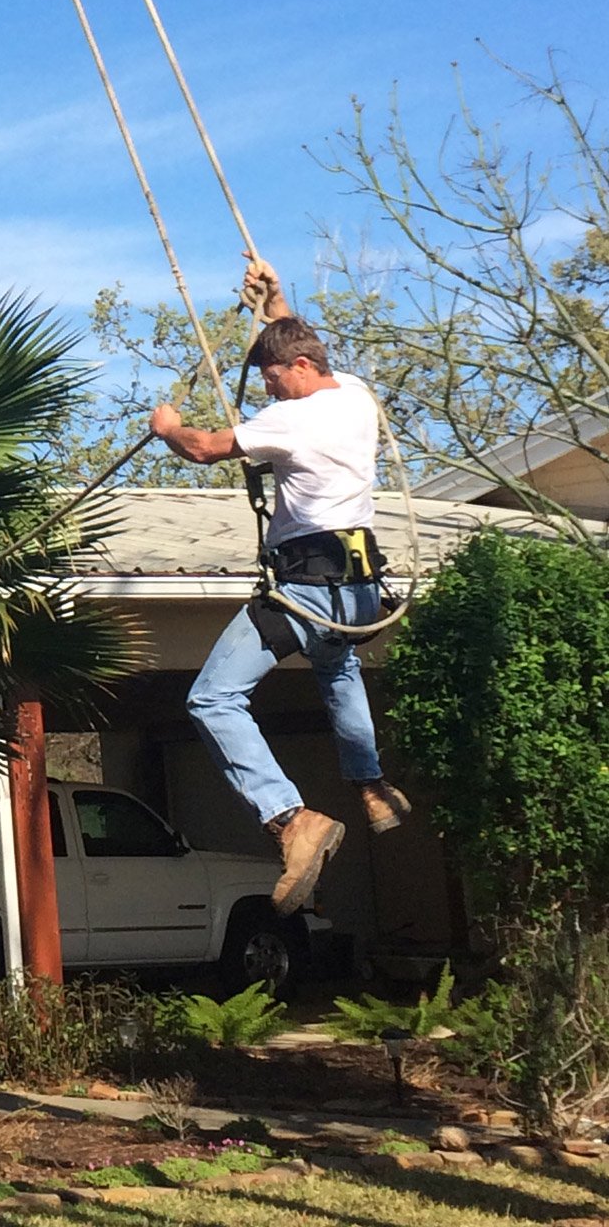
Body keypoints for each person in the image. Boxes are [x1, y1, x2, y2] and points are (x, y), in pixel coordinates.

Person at [149, 260, 412, 917]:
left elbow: (207, 447)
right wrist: (274, 300)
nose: (271, 392)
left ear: (297, 372)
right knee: (337, 670)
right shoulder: (352, 394)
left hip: (307, 586)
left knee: (212, 700)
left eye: (272, 381)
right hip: (357, 585)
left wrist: (168, 430)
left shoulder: (292, 421)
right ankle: (371, 784)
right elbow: (297, 340)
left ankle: (290, 818)